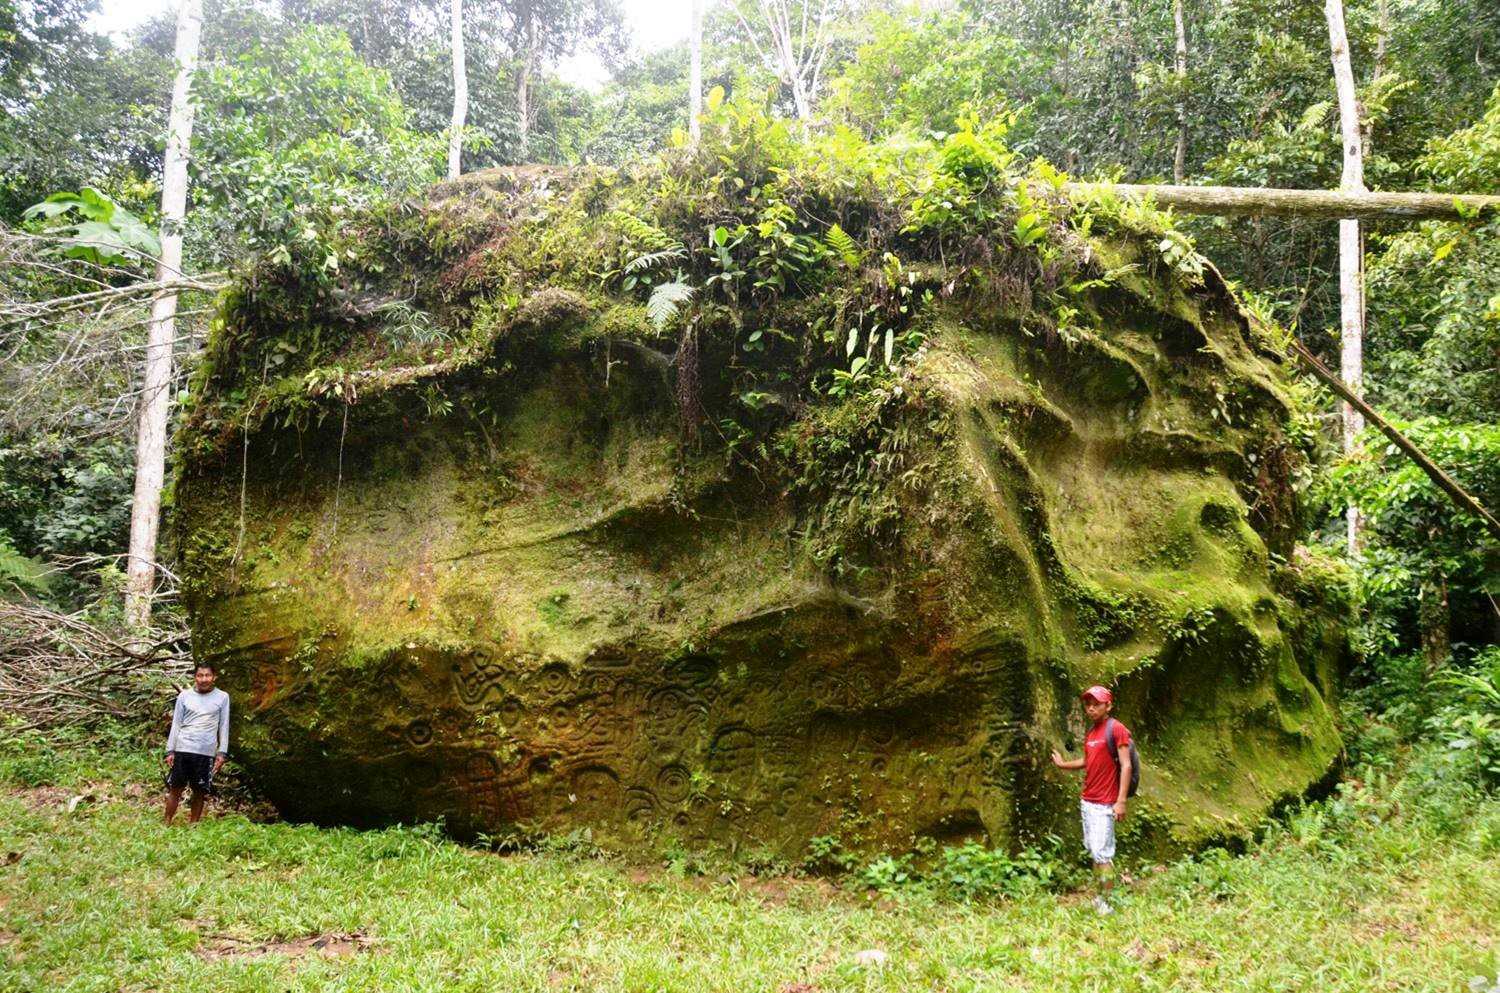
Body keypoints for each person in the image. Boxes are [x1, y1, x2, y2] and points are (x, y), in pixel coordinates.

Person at [1051, 684, 1132, 915]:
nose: (1091, 708)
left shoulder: (1116, 729)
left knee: (1103, 854)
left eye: (1096, 703)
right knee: (1095, 852)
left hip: (1105, 803)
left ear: (1109, 705)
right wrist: (1062, 764)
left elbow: (1126, 765)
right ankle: (1100, 897)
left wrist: (1121, 800)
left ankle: (1107, 902)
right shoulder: (1092, 733)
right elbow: (1087, 761)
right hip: (1088, 801)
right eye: (1088, 704)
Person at [164, 661, 230, 825]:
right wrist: (170, 750)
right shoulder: (184, 696)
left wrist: (222, 752)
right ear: (195, 677)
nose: (204, 679)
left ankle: (193, 824)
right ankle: (166, 822)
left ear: (214, 677)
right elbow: (176, 723)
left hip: (205, 751)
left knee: (200, 790)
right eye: (200, 675)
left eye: (207, 675)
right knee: (175, 788)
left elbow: (224, 725)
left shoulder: (222, 697)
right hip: (183, 747)